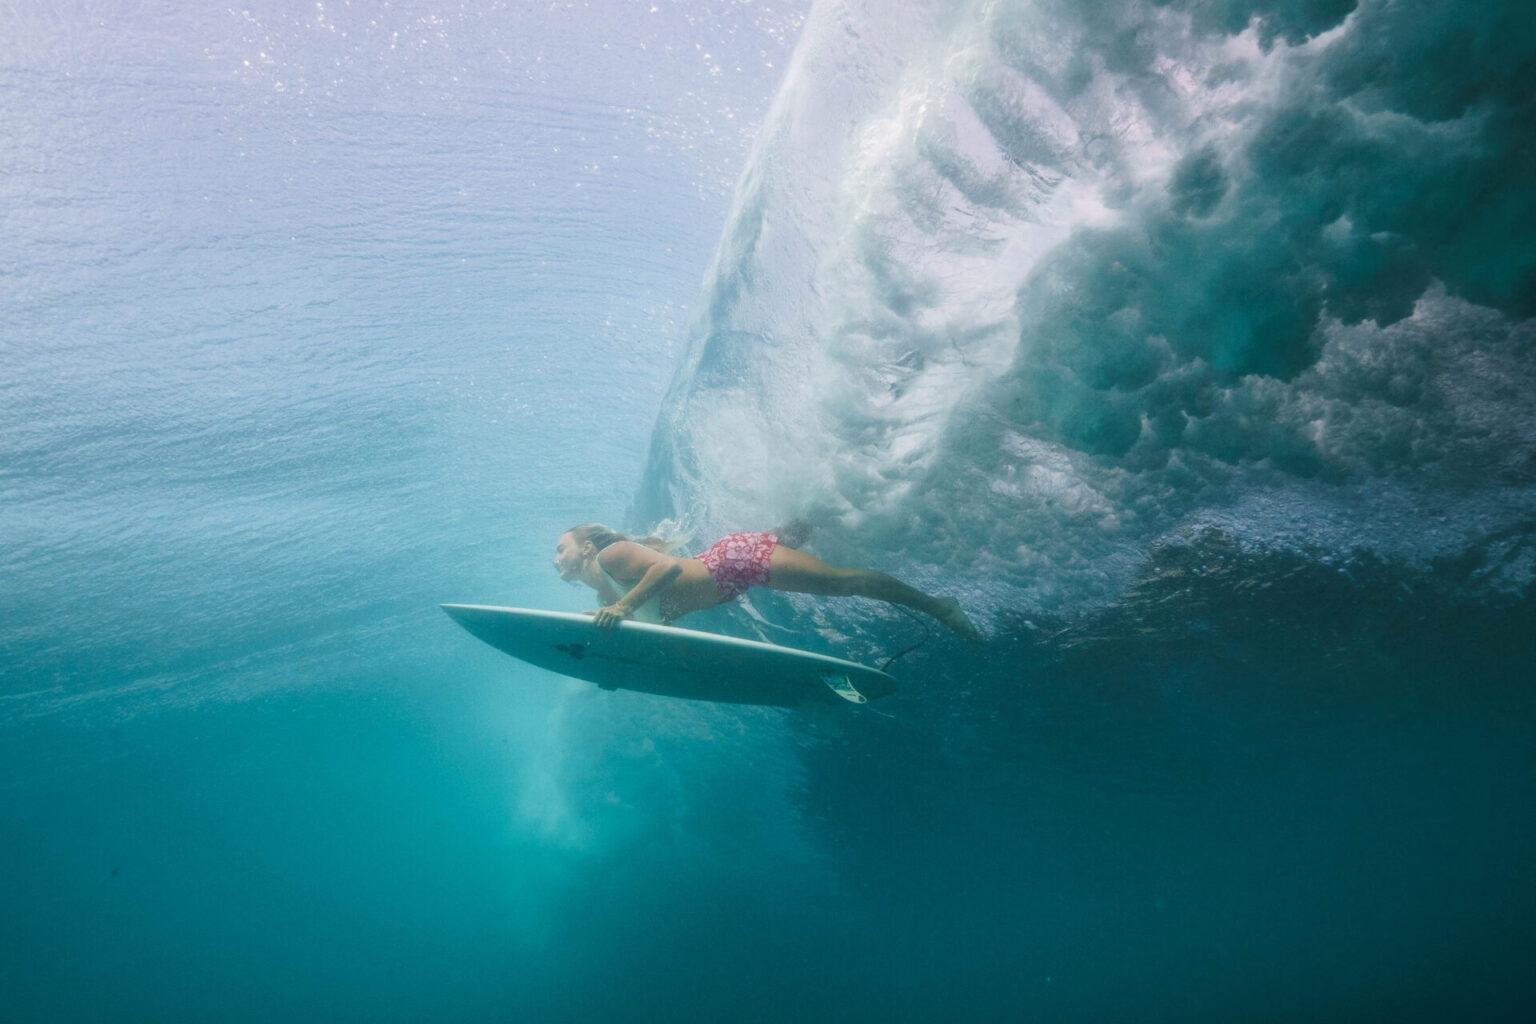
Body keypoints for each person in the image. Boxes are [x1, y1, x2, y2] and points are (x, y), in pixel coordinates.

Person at [553, 522, 981, 639]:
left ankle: (938, 605)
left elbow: (669, 569)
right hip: (727, 579)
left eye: (560, 548)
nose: (556, 560)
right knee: (797, 532)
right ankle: (816, 512)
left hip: (733, 564)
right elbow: (654, 617)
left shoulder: (611, 555)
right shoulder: (603, 587)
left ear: (587, 546)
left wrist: (623, 609)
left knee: (838, 583)